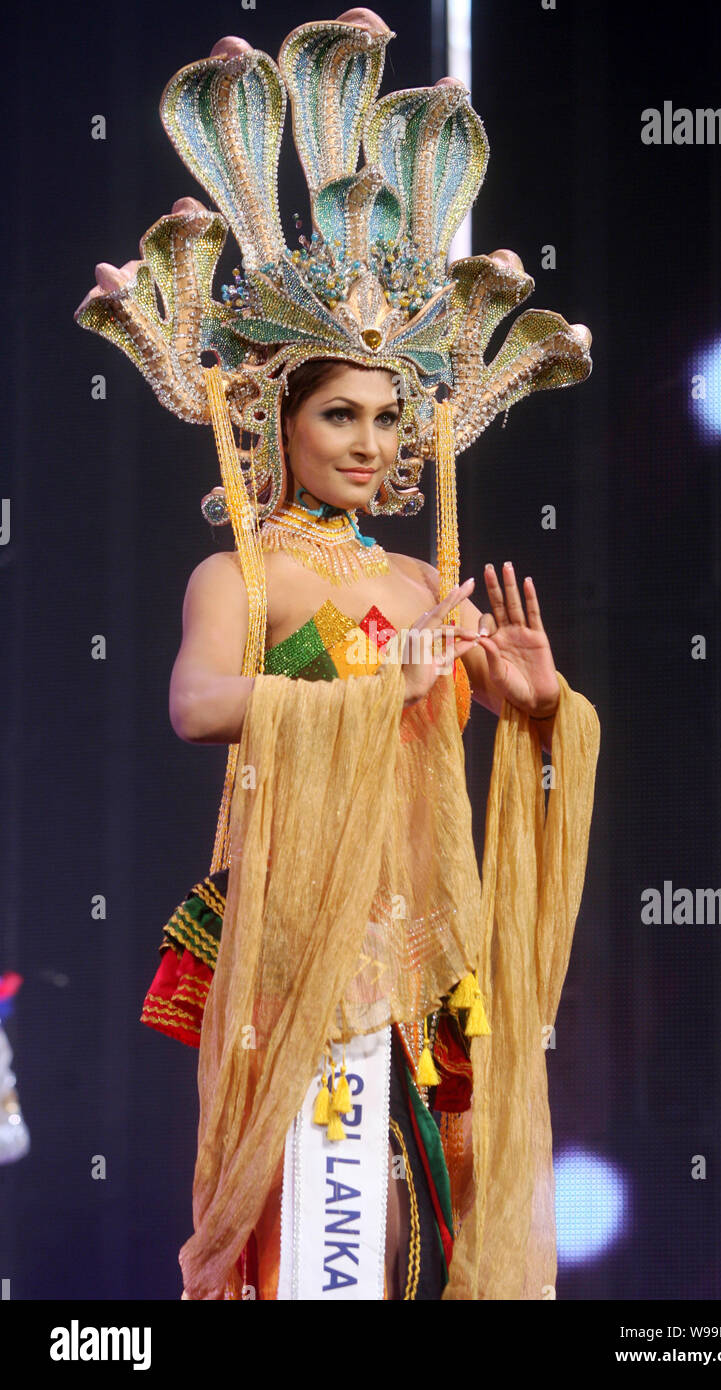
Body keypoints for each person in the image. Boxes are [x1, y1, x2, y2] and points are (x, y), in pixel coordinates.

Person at [75, 9, 600, 1300]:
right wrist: (370, 696)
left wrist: (538, 718)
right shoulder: (247, 571)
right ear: (281, 419)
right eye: (340, 414)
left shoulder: (426, 579)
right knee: (304, 1237)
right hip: (300, 936)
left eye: (387, 418)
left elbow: (478, 759)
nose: (370, 444)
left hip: (423, 938)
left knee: (430, 1215)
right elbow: (200, 702)